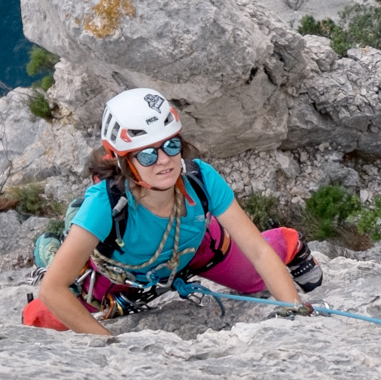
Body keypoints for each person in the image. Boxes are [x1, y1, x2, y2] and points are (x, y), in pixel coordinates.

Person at [23, 87, 321, 335]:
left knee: (256, 281)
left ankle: (289, 243)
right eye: (147, 153)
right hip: (123, 276)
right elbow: (53, 289)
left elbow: (257, 251)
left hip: (196, 248)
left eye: (171, 145)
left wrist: (294, 309)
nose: (164, 160)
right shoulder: (105, 204)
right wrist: (110, 347)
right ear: (123, 161)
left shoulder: (200, 179)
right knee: (38, 320)